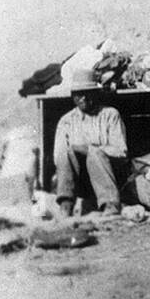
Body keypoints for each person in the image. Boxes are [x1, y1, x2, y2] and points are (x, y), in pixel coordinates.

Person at [53, 77, 128, 217]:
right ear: (73, 97)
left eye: (88, 93)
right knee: (65, 153)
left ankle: (111, 205)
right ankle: (66, 205)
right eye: (78, 94)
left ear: (96, 93)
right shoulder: (66, 121)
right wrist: (75, 151)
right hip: (81, 181)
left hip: (110, 177)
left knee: (95, 153)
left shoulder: (110, 115)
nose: (83, 98)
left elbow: (121, 152)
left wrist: (90, 150)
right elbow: (58, 157)